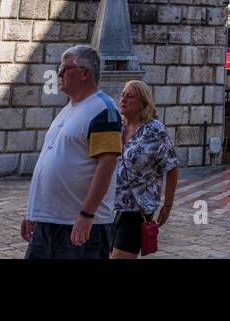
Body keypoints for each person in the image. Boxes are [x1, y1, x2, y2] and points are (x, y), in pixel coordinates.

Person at [22, 44, 123, 259]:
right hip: (48, 223)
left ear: (84, 73)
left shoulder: (103, 108)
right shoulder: (68, 109)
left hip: (81, 225)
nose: (59, 73)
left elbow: (107, 164)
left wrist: (87, 215)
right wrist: (34, 213)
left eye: (65, 68)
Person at [111, 79, 178, 258]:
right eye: (123, 95)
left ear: (143, 103)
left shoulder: (155, 130)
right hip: (110, 207)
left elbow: (172, 166)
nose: (123, 100)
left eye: (130, 96)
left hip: (136, 209)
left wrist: (168, 205)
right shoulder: (117, 127)